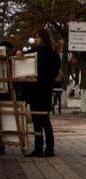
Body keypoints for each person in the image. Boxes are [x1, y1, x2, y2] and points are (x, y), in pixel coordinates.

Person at [24, 29, 61, 157]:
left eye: (39, 37)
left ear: (45, 38)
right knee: (35, 120)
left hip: (44, 90)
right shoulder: (34, 52)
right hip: (34, 91)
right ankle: (38, 148)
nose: (37, 39)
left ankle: (50, 148)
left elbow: (54, 73)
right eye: (36, 37)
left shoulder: (52, 54)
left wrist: (44, 79)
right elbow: (23, 57)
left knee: (44, 119)